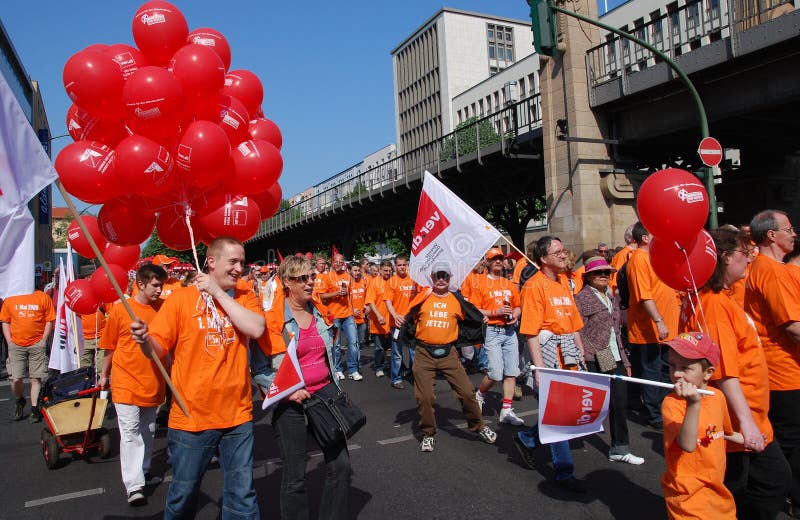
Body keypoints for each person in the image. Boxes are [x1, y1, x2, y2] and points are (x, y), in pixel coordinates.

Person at [130, 237, 266, 519]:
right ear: (212, 262)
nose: (239, 268)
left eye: (242, 261)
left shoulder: (245, 295)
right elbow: (157, 347)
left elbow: (255, 328)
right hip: (191, 416)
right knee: (183, 497)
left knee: (242, 497)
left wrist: (218, 292)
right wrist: (144, 340)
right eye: (233, 261)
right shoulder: (181, 298)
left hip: (237, 415)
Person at [683, 226, 790, 518]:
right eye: (745, 253)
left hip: (750, 414)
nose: (750, 259)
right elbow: (724, 372)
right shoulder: (714, 304)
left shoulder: (718, 298)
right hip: (738, 418)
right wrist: (747, 424)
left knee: (742, 487)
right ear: (726, 258)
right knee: (769, 484)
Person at [270, 256, 351, 519]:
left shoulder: (319, 311)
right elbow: (260, 369)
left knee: (341, 467)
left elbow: (328, 356)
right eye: (302, 278)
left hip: (325, 398)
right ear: (287, 282)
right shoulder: (273, 318)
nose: (309, 282)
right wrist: (287, 390)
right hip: (292, 404)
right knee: (295, 477)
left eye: (311, 277)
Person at [398, 261, 497, 452]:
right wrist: (399, 318)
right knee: (425, 397)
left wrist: (481, 319)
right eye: (438, 275)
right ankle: (428, 433)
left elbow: (473, 316)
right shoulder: (422, 297)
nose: (441, 279)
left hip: (449, 354)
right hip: (424, 353)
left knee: (467, 393)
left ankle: (479, 426)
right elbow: (406, 316)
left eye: (445, 276)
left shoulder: (457, 300)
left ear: (450, 278)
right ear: (432, 278)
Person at [513, 235, 587, 492]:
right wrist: (539, 369)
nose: (564, 255)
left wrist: (580, 354)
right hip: (548, 355)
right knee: (558, 414)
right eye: (557, 252)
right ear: (543, 259)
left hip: (568, 356)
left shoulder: (565, 282)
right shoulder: (534, 286)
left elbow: (574, 324)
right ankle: (564, 472)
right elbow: (531, 331)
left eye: (564, 250)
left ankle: (527, 438)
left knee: (566, 411)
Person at [744, 209, 800, 511]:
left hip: (779, 370)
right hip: (784, 371)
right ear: (771, 235)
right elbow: (792, 326)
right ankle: (784, 496)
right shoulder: (771, 270)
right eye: (789, 228)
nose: (794, 234)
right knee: (789, 441)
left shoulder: (766, 267)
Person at [99, 264, 168, 505]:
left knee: (148, 430)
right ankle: (134, 485)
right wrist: (103, 374)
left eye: (162, 285)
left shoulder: (164, 309)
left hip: (153, 381)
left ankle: (144, 469)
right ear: (141, 284)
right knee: (130, 432)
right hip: (125, 380)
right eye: (155, 285)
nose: (160, 290)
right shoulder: (121, 310)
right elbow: (109, 346)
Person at [661, 331, 742, 520]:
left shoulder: (717, 397)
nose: (676, 374)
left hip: (716, 489)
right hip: (687, 494)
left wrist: (743, 439)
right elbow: (687, 445)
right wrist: (693, 404)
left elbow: (720, 432)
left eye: (685, 368)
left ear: (708, 373)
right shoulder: (672, 403)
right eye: (672, 365)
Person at [574, 256, 643, 465]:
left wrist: (625, 361)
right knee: (590, 405)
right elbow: (579, 330)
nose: (604, 276)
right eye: (598, 273)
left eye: (607, 273)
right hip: (597, 356)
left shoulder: (611, 297)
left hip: (615, 355)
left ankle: (620, 448)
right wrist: (589, 355)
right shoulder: (582, 298)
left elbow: (616, 332)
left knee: (619, 403)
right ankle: (553, 437)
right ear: (588, 277)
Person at [626, 221, 681, 430]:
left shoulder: (655, 258)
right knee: (652, 371)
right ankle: (654, 414)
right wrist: (659, 321)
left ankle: (665, 407)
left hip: (667, 328)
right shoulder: (639, 260)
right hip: (650, 329)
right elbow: (644, 296)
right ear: (645, 238)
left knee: (666, 369)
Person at [473, 248, 524, 425]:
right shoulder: (480, 283)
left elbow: (517, 306)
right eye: (494, 258)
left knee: (511, 373)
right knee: (495, 373)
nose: (498, 261)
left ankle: (507, 410)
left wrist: (516, 315)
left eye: (500, 258)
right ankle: (479, 394)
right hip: (492, 331)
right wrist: (495, 312)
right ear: (487, 262)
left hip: (509, 331)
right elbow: (475, 309)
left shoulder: (509, 284)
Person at [0, 288, 55, 423]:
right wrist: (10, 342)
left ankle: (35, 408)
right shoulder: (11, 297)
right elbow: (5, 321)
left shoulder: (42, 297)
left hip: (37, 344)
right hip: (16, 345)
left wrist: (43, 339)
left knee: (36, 378)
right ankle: (19, 400)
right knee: (15, 379)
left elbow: (49, 319)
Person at [319, 253, 362, 380]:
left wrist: (353, 308)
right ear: (332, 262)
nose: (338, 264)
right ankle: (337, 369)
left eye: (341, 262)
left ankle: (353, 369)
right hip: (334, 315)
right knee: (336, 346)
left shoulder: (348, 276)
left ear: (344, 263)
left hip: (348, 314)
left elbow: (349, 295)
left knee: (353, 342)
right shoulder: (327, 277)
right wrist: (336, 293)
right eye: (336, 262)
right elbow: (321, 296)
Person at [385, 256, 420, 389]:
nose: (402, 267)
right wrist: (395, 316)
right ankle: (396, 379)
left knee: (414, 352)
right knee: (397, 353)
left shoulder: (413, 280)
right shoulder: (391, 281)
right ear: (395, 266)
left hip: (411, 322)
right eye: (399, 265)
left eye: (404, 264)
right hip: (397, 324)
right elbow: (388, 302)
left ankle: (417, 378)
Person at [366, 260, 393, 377]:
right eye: (385, 270)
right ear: (380, 270)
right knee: (379, 347)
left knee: (394, 347)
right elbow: (370, 302)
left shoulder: (393, 281)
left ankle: (394, 366)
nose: (388, 272)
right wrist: (379, 315)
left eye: (390, 270)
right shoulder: (375, 282)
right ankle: (378, 367)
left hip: (392, 321)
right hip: (379, 321)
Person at [349, 262, 369, 360]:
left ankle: (357, 363)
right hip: (351, 319)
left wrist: (368, 307)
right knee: (353, 343)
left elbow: (368, 298)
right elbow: (344, 300)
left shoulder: (363, 282)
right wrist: (352, 309)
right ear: (349, 271)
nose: (357, 272)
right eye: (355, 270)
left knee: (359, 344)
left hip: (362, 318)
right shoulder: (347, 283)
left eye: (358, 270)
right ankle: (354, 366)